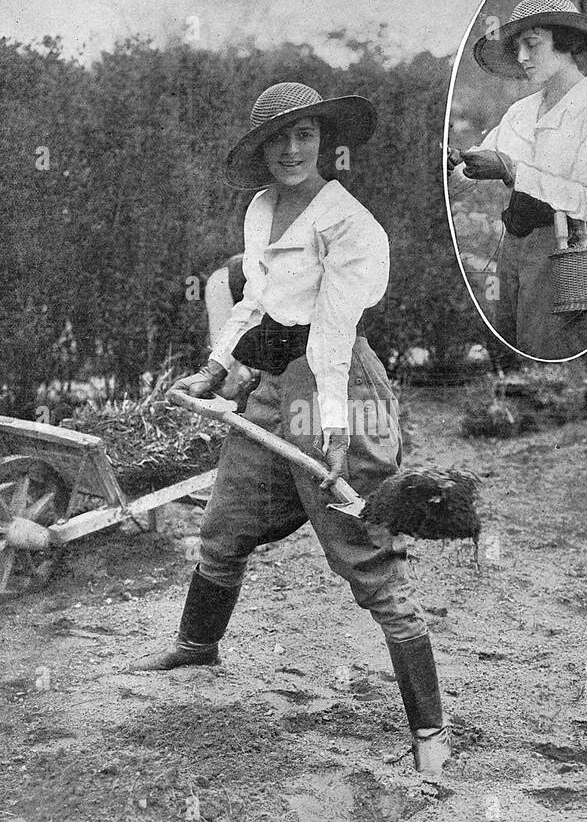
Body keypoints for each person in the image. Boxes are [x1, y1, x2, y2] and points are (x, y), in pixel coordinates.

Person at [139, 81, 449, 776]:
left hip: (339, 391)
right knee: (225, 524)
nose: (291, 149)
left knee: (362, 555)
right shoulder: (262, 207)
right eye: (277, 138)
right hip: (277, 388)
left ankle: (431, 732)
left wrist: (337, 432)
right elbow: (255, 301)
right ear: (259, 150)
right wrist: (215, 368)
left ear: (324, 140)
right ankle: (197, 645)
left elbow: (334, 338)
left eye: (304, 134)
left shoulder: (352, 228)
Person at [449, 0, 587, 360]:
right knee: (509, 355)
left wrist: (512, 170)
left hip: (568, 250)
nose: (521, 58)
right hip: (515, 250)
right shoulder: (521, 111)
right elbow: (473, 166)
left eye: (532, 44)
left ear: (566, 42)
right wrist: (455, 161)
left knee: (553, 360)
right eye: (517, 47)